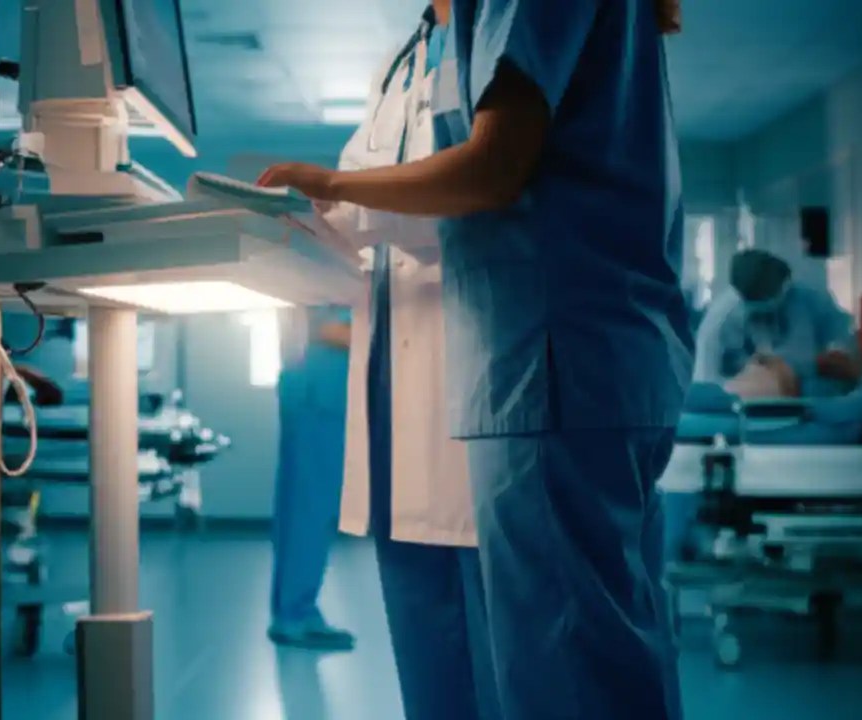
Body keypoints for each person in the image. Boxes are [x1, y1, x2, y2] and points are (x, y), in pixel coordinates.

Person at [259, 1, 689, 718]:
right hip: (542, 368)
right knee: (571, 668)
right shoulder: (428, 47)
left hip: (553, 360)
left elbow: (490, 170)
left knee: (569, 680)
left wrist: (331, 188)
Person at [304, 6, 498, 716]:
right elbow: (361, 192)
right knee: (429, 667)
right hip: (393, 404)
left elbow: (471, 190)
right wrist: (304, 215)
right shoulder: (402, 61)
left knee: (499, 661)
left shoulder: (503, 34)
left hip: (472, 390)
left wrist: (337, 194)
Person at [268, 305, 355, 650]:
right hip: (320, 396)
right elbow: (325, 330)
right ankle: (295, 614)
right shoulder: (320, 271)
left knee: (303, 509)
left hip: (317, 392)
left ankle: (293, 612)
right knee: (308, 511)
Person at [695, 248, 856, 397]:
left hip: (807, 389)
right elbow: (706, 378)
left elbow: (843, 345)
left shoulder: (808, 299)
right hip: (745, 393)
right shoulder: (723, 319)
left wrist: (837, 358)